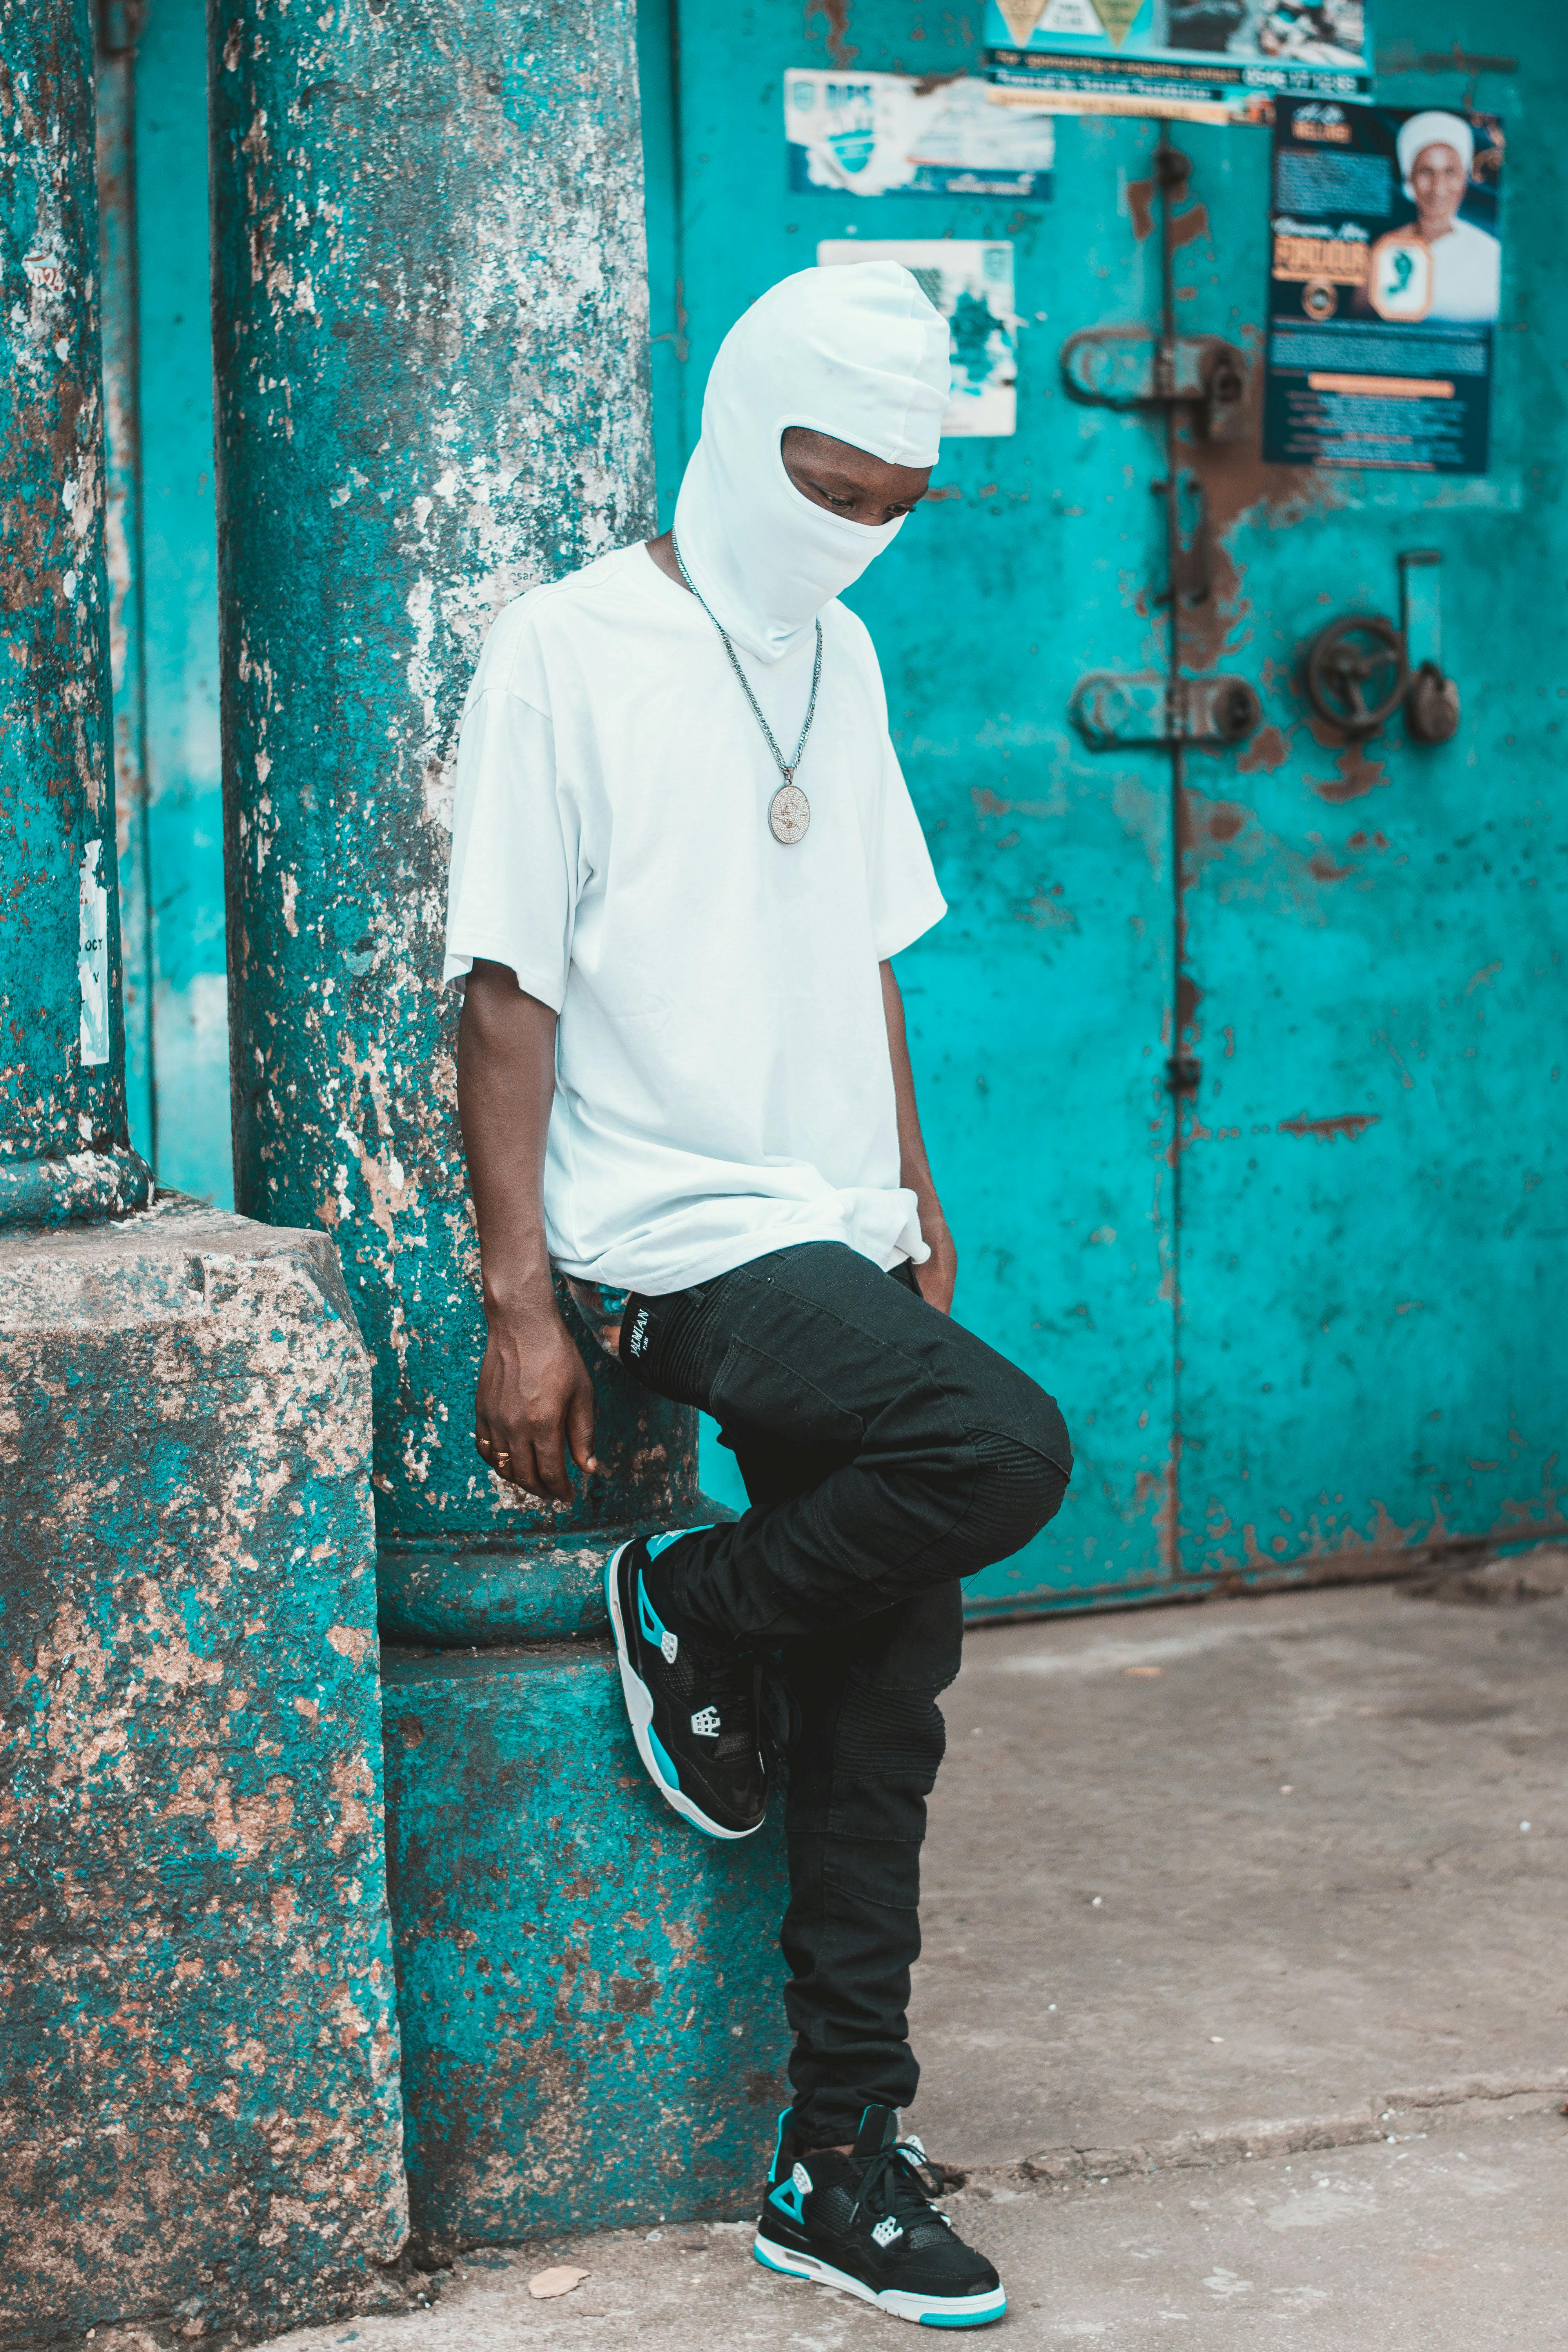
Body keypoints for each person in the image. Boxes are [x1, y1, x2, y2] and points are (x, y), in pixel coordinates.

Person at [444, 262, 1072, 2330]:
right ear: (738, 426)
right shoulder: (565, 648)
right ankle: (689, 1610)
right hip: (667, 1237)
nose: (850, 524)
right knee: (1001, 1442)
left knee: (887, 1703)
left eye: (895, 496)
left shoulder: (849, 653)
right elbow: (507, 990)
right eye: (826, 477)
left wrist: (911, 1188)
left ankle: (835, 2155)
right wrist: (521, 1297)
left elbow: (865, 938)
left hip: (833, 1221)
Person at [1396, 109, 1500, 323]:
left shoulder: (1491, 255)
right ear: (1409, 179)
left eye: (1450, 172)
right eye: (1426, 172)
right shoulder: (1388, 251)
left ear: (1465, 179)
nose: (1439, 187)